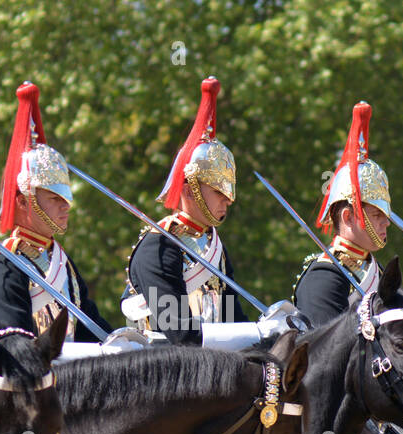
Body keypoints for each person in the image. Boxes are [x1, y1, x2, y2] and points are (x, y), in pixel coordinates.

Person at [121, 76, 298, 348]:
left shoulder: (212, 246)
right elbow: (178, 332)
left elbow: (231, 320)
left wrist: (271, 337)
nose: (228, 200)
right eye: (218, 191)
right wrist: (257, 333)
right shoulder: (158, 246)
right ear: (190, 189)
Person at [0, 81, 115, 357]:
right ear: (24, 201)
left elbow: (89, 327)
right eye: (54, 198)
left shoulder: (61, 262)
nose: (66, 207)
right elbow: (15, 353)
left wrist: (120, 346)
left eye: (66, 198)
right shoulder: (4, 268)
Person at [292, 101, 391, 327]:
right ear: (347, 217)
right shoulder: (324, 276)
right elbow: (329, 356)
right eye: (376, 214)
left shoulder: (378, 272)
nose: (386, 221)